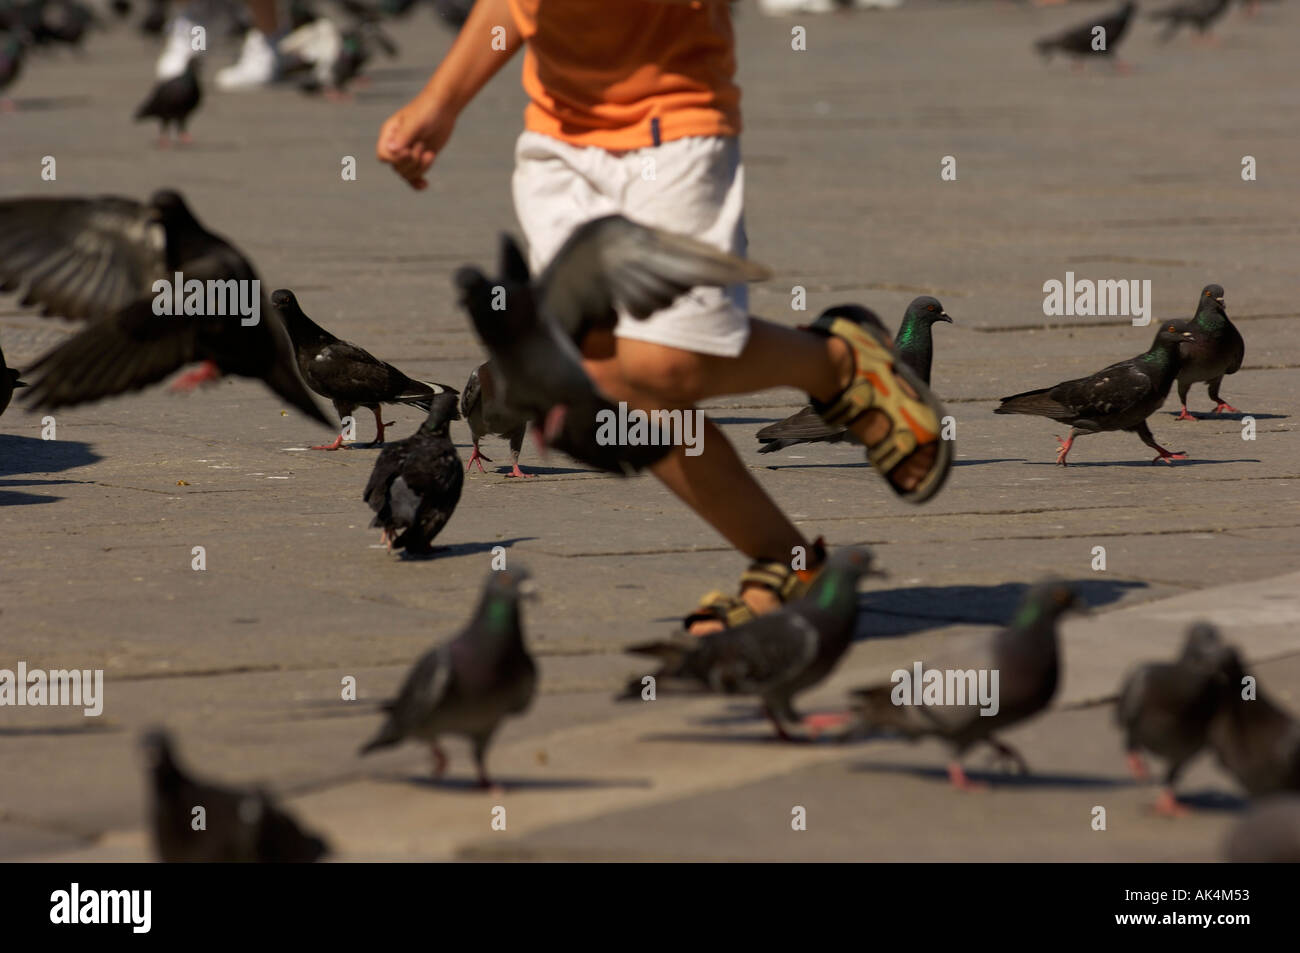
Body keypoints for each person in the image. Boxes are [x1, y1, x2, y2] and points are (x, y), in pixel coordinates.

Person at [376, 0, 951, 634]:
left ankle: (838, 363)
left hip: (674, 120)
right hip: (560, 144)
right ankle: (788, 564)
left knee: (666, 365)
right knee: (610, 391)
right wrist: (442, 98)